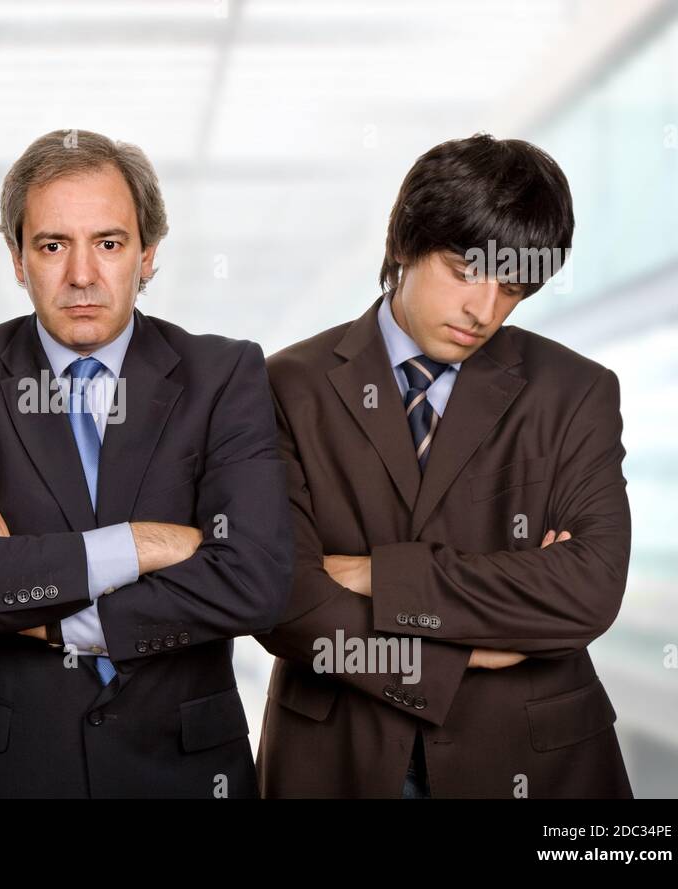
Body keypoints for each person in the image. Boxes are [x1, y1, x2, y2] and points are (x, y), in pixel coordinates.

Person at [0, 129, 293, 798]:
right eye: (53, 245)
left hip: (188, 768)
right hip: (13, 768)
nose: (82, 275)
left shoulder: (225, 373)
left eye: (109, 244)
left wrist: (36, 604)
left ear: (148, 254)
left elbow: (255, 579)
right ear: (18, 258)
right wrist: (143, 543)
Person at [256, 133, 633, 798]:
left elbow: (588, 588)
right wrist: (456, 655)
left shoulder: (576, 392)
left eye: (513, 288)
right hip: (337, 756)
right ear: (404, 242)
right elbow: (281, 599)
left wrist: (378, 575)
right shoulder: (285, 385)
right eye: (466, 271)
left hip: (532, 759)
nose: (484, 311)